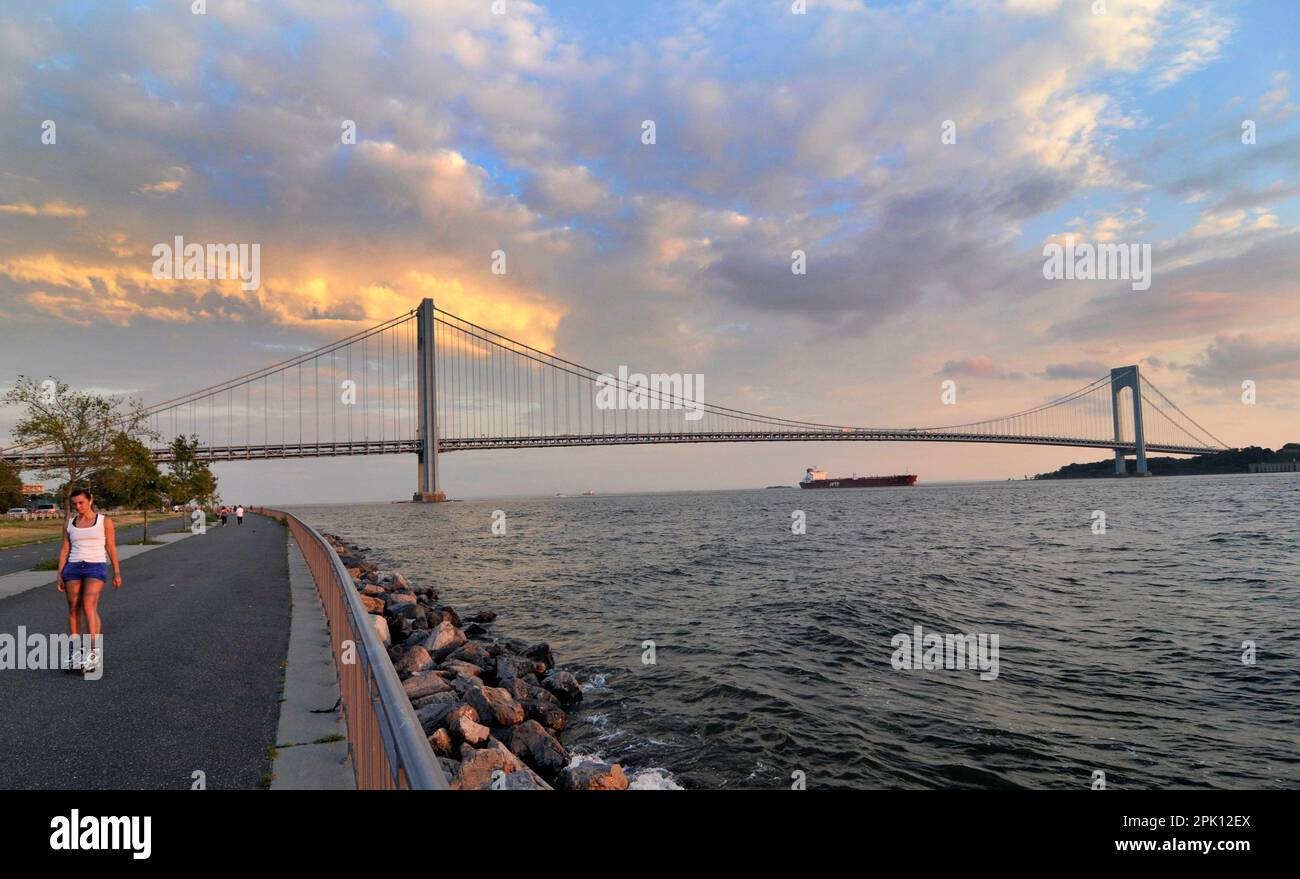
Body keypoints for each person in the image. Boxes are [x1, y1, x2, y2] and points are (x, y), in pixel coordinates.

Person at [56, 488, 121, 675]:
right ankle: (76, 651)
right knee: (73, 606)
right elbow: (64, 549)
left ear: (90, 500)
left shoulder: (104, 521)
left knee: (88, 604)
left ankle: (93, 653)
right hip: (73, 567)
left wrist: (116, 571)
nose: (78, 506)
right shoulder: (69, 523)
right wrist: (59, 573)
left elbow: (110, 546)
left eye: (81, 502)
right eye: (75, 504)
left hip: (95, 566)